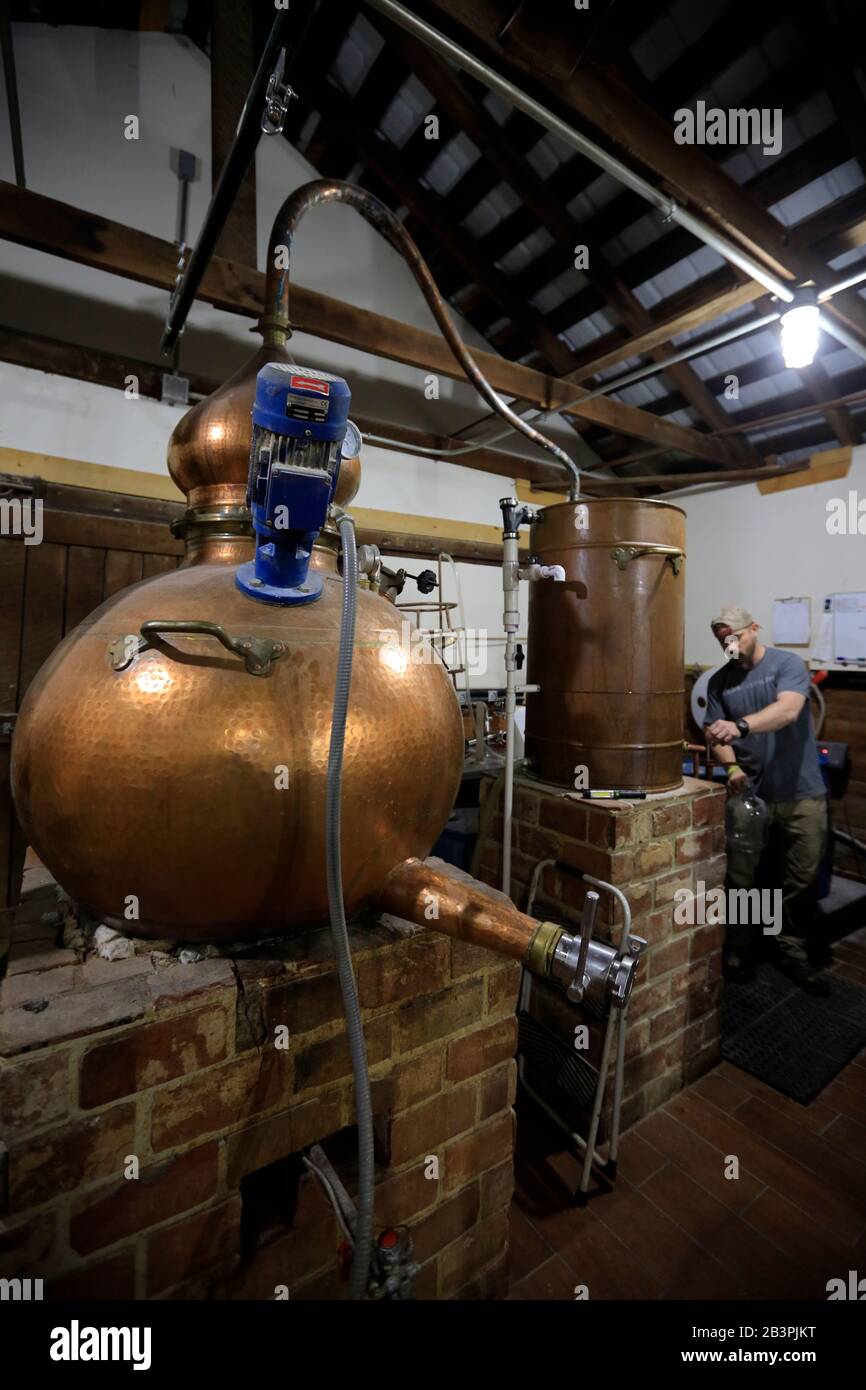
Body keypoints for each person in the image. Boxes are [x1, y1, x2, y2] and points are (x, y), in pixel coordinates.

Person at [703, 605, 829, 995]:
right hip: (750, 795)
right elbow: (714, 733)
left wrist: (741, 725)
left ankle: (792, 951)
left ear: (754, 628)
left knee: (801, 876)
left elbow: (789, 710)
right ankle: (740, 949)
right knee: (743, 878)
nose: (731, 645)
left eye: (737, 637)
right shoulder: (718, 682)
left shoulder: (787, 664)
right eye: (724, 640)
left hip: (801, 793)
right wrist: (732, 769)